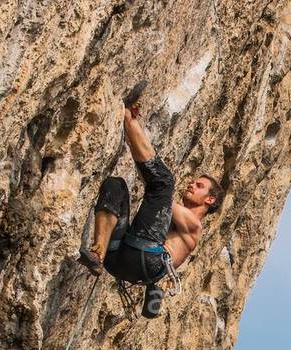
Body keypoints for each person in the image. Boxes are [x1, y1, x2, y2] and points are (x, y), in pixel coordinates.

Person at [79, 82, 221, 316]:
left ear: (209, 201)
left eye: (200, 186)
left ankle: (129, 120)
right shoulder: (172, 221)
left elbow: (158, 189)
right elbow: (156, 196)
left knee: (164, 182)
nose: (192, 184)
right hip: (119, 260)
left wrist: (134, 129)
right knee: (115, 186)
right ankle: (97, 253)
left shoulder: (194, 227)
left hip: (146, 259)